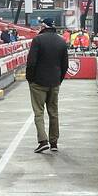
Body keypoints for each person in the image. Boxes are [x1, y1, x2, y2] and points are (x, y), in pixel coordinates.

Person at [26, 17, 69, 153]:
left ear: (43, 26)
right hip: (54, 82)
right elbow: (65, 65)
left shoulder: (38, 40)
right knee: (53, 112)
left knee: (39, 112)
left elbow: (31, 62)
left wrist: (30, 79)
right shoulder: (61, 41)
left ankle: (43, 140)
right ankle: (54, 142)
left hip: (38, 82)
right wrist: (59, 80)